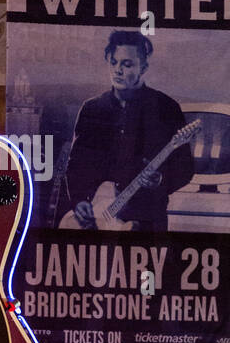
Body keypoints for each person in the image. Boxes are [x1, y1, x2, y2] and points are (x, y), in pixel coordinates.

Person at [65, 30, 194, 230]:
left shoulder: (166, 107)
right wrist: (79, 200)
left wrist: (161, 180)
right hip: (100, 221)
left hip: (148, 222)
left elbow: (185, 168)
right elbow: (76, 165)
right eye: (113, 62)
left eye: (127, 64)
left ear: (143, 68)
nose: (118, 70)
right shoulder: (92, 109)